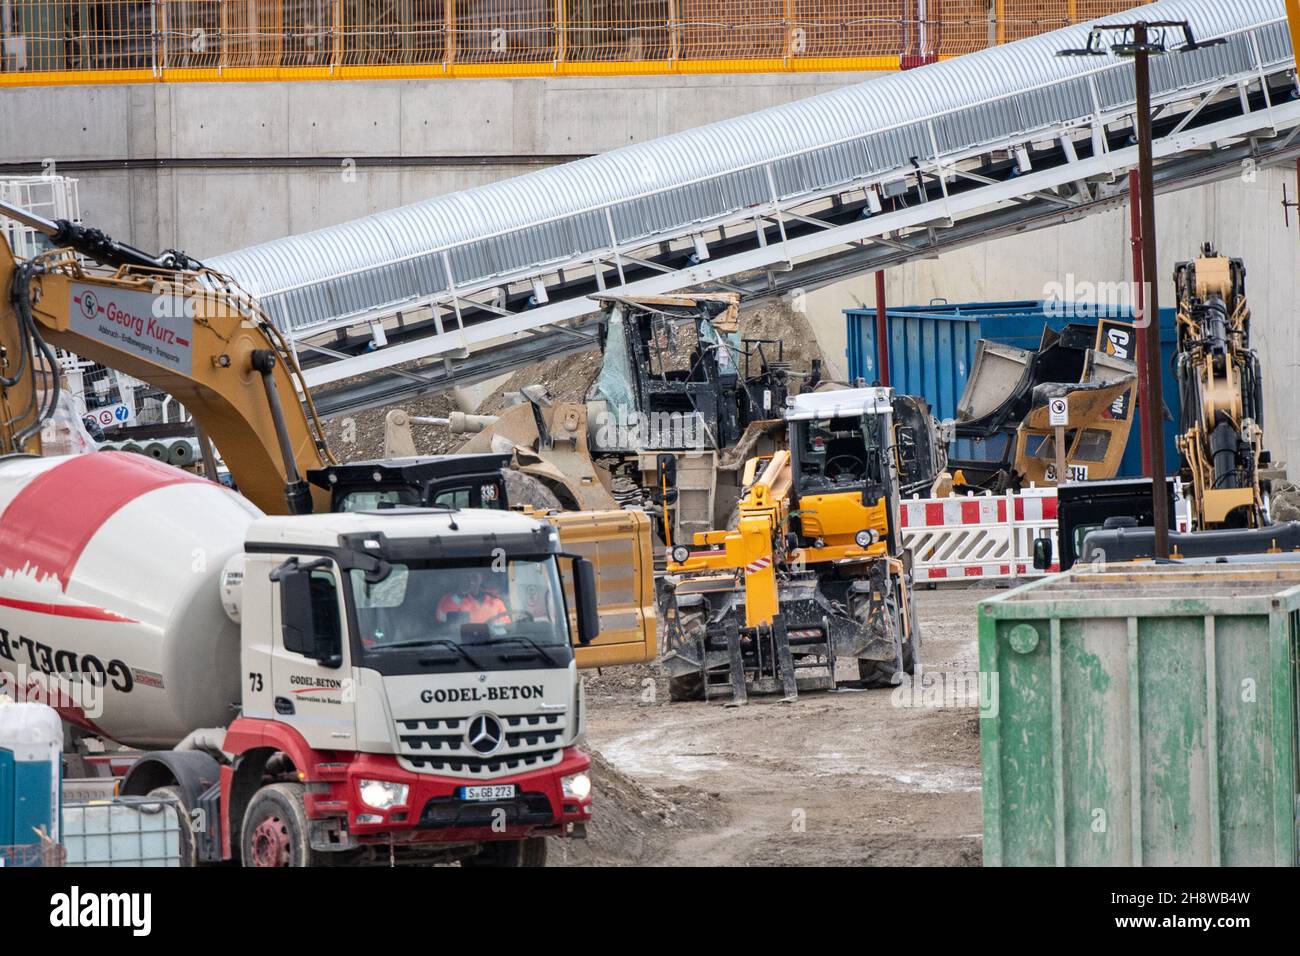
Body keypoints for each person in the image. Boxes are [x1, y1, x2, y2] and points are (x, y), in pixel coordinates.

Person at [435, 570, 509, 625]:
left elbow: (506, 627)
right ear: (461, 579)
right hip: (458, 643)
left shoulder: (496, 602)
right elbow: (441, 620)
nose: (471, 581)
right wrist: (459, 594)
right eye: (467, 578)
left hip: (492, 643)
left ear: (481, 579)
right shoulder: (449, 599)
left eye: (474, 577)